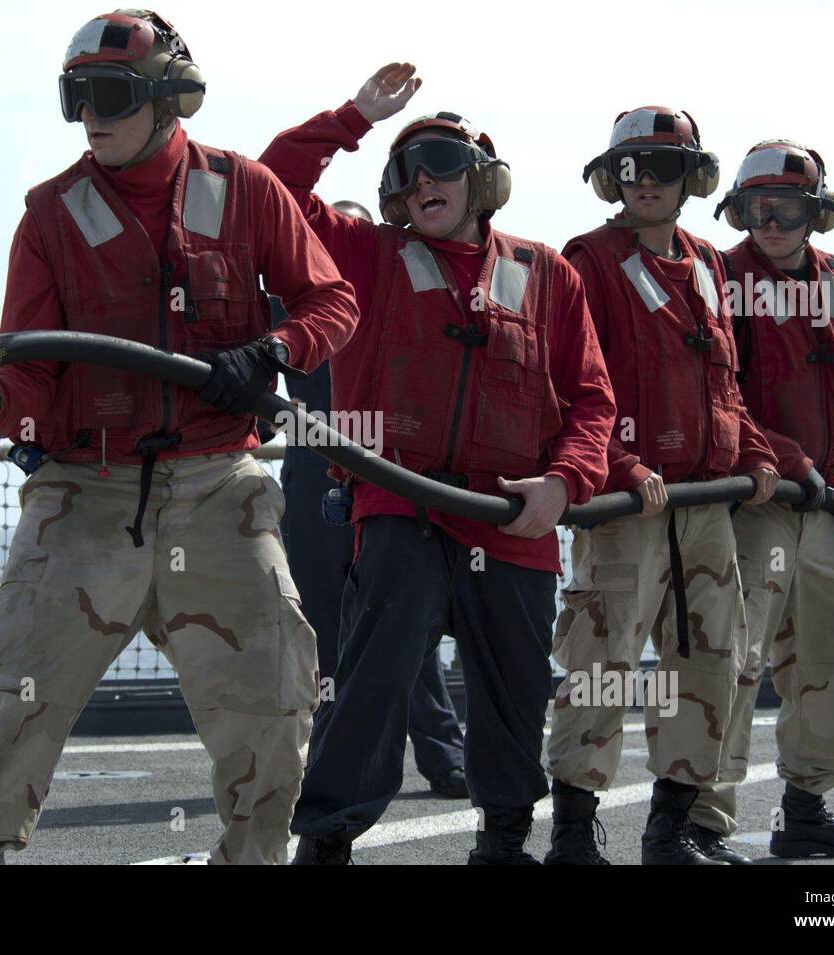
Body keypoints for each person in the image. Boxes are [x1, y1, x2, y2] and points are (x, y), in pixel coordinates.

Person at [0, 9, 358, 865]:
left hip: (220, 490)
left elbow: (331, 303)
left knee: (274, 698)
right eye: (76, 97)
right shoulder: (49, 217)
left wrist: (269, 351)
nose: (92, 115)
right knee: (12, 699)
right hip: (84, 494)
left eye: (111, 94)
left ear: (170, 98)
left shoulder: (246, 190)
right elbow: (33, 370)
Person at [260, 63, 616, 864]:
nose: (425, 180)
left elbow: (592, 399)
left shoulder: (548, 273)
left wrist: (564, 484)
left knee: (515, 688)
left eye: (444, 164)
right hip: (400, 509)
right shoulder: (365, 255)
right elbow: (269, 188)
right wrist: (352, 117)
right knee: (374, 680)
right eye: (407, 169)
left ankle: (504, 839)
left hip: (514, 519)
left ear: (483, 180)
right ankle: (326, 842)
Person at [545, 106, 780, 865]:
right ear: (611, 179)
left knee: (712, 658)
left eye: (664, 168)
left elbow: (726, 383)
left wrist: (753, 453)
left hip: (704, 506)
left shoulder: (709, 264)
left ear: (692, 180)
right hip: (627, 509)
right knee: (602, 666)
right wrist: (621, 465)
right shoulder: (585, 262)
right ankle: (574, 836)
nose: (645, 182)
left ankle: (669, 831)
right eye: (630, 168)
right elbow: (569, 386)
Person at [688, 141, 834, 859]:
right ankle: (705, 822)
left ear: (817, 213)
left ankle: (806, 809)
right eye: (757, 207)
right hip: (754, 499)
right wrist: (788, 457)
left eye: (787, 207)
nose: (770, 222)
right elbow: (719, 391)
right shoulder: (718, 277)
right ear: (738, 209)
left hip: (821, 511)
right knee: (735, 658)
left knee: (833, 656)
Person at [271, 199, 469, 801]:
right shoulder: (289, 302)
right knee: (329, 634)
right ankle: (338, 768)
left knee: (400, 623)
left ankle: (442, 754)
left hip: (386, 475)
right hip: (314, 477)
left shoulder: (397, 301)